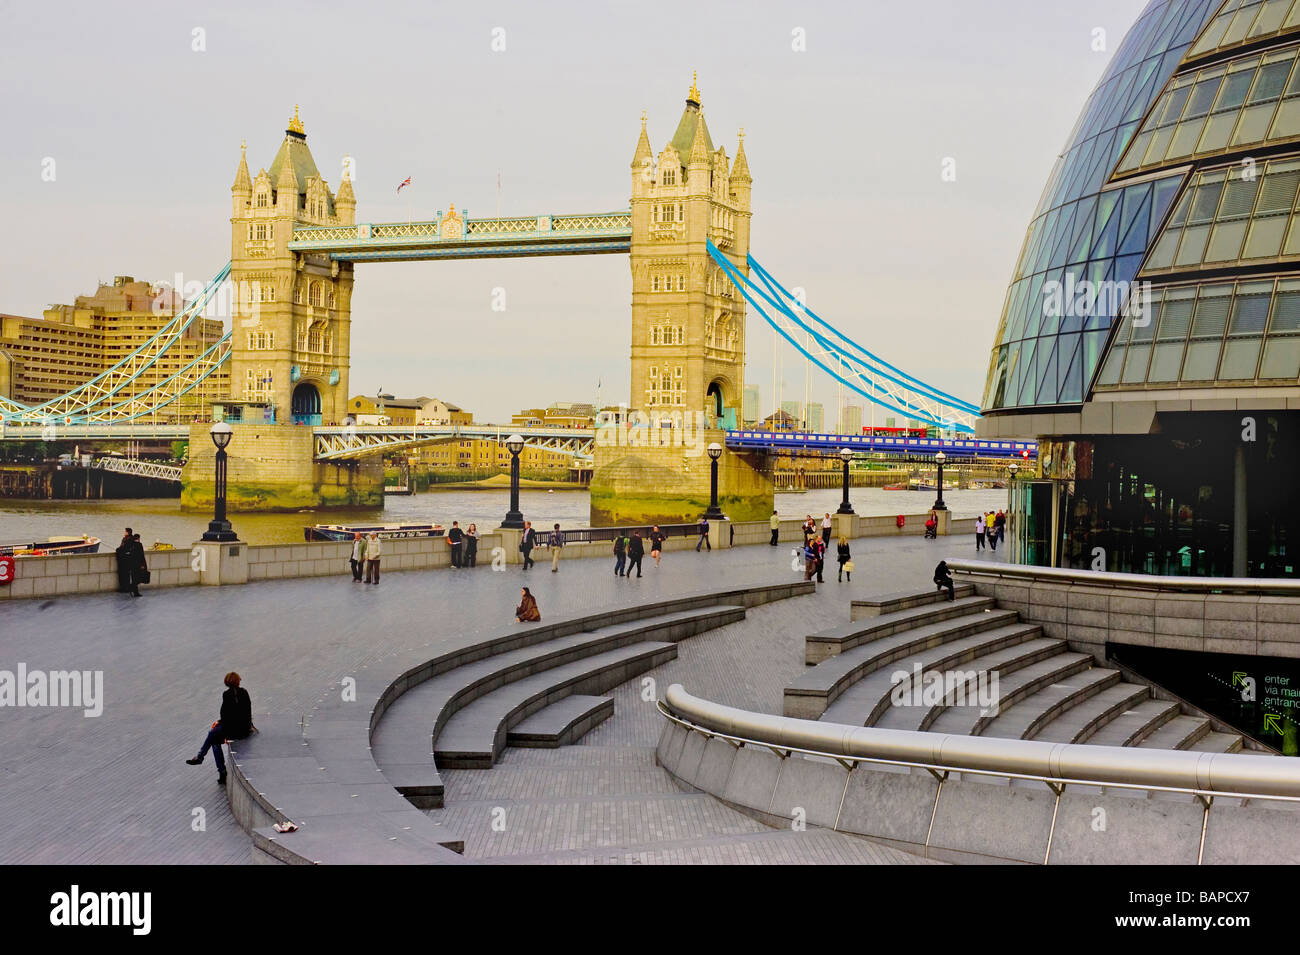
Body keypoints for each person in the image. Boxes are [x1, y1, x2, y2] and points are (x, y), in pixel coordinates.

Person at [184, 671, 253, 786]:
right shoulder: (244, 692)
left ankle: (214, 766)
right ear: (237, 681)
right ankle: (205, 760)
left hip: (232, 730)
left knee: (212, 734)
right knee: (214, 739)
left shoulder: (226, 695)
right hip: (244, 729)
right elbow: (245, 712)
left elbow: (225, 715)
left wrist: (219, 723)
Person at [114, 528, 137, 596]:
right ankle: (123, 587)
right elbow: (121, 547)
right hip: (123, 559)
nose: (124, 532)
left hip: (126, 559)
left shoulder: (130, 539)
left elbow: (124, 548)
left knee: (125, 574)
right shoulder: (125, 538)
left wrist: (118, 550)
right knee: (123, 574)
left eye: (125, 531)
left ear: (128, 532)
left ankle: (125, 588)